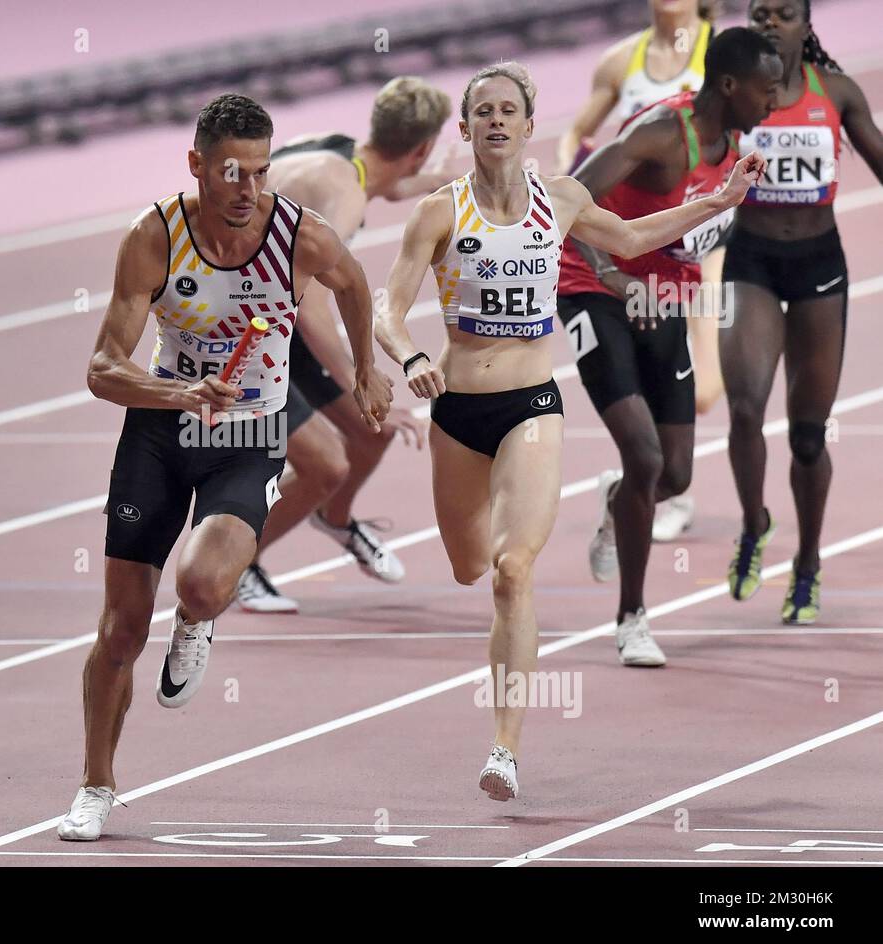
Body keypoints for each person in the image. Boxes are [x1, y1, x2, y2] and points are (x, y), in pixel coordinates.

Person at [378, 61, 762, 799]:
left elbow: (628, 236)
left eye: (507, 110)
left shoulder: (560, 199)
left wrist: (718, 198)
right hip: (460, 411)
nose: (495, 121)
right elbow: (387, 308)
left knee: (512, 571)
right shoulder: (438, 212)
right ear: (465, 129)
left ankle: (504, 751)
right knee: (466, 565)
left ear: (528, 127)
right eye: (481, 111)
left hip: (531, 405)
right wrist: (410, 353)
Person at [57, 93, 392, 841]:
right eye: (233, 172)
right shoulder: (155, 235)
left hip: (249, 433)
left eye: (261, 172)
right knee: (119, 632)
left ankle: (201, 619)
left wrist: (366, 369)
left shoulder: (298, 234)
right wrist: (178, 390)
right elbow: (103, 369)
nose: (248, 190)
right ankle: (95, 784)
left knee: (203, 583)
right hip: (159, 433)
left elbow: (354, 285)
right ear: (198, 167)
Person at [557, 27, 781, 666]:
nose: (772, 105)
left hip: (663, 301)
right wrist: (613, 276)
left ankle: (614, 498)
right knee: (647, 457)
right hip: (591, 288)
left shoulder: (734, 148)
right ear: (731, 86)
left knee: (674, 473)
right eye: (767, 92)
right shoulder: (661, 134)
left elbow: (700, 236)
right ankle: (632, 618)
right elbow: (568, 197)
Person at [236, 77, 451, 613]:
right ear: (420, 146)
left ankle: (334, 519)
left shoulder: (339, 151)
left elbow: (394, 183)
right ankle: (237, 563)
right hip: (241, 331)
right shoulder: (345, 197)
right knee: (326, 465)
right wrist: (361, 376)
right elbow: (308, 305)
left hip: (272, 313)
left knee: (372, 431)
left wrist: (451, 179)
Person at [722, 0, 883, 623]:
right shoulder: (732, 93)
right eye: (759, 11)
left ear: (805, 25)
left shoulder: (835, 92)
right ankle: (753, 522)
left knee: (809, 436)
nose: (769, 21)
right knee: (743, 409)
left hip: (819, 264)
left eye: (783, 13)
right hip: (751, 260)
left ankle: (808, 564)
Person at [558, 0, 722, 543]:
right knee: (659, 407)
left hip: (693, 243)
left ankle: (659, 481)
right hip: (625, 242)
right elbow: (578, 133)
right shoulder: (620, 61)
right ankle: (654, 486)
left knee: (702, 392)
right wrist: (578, 171)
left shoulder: (721, 53)